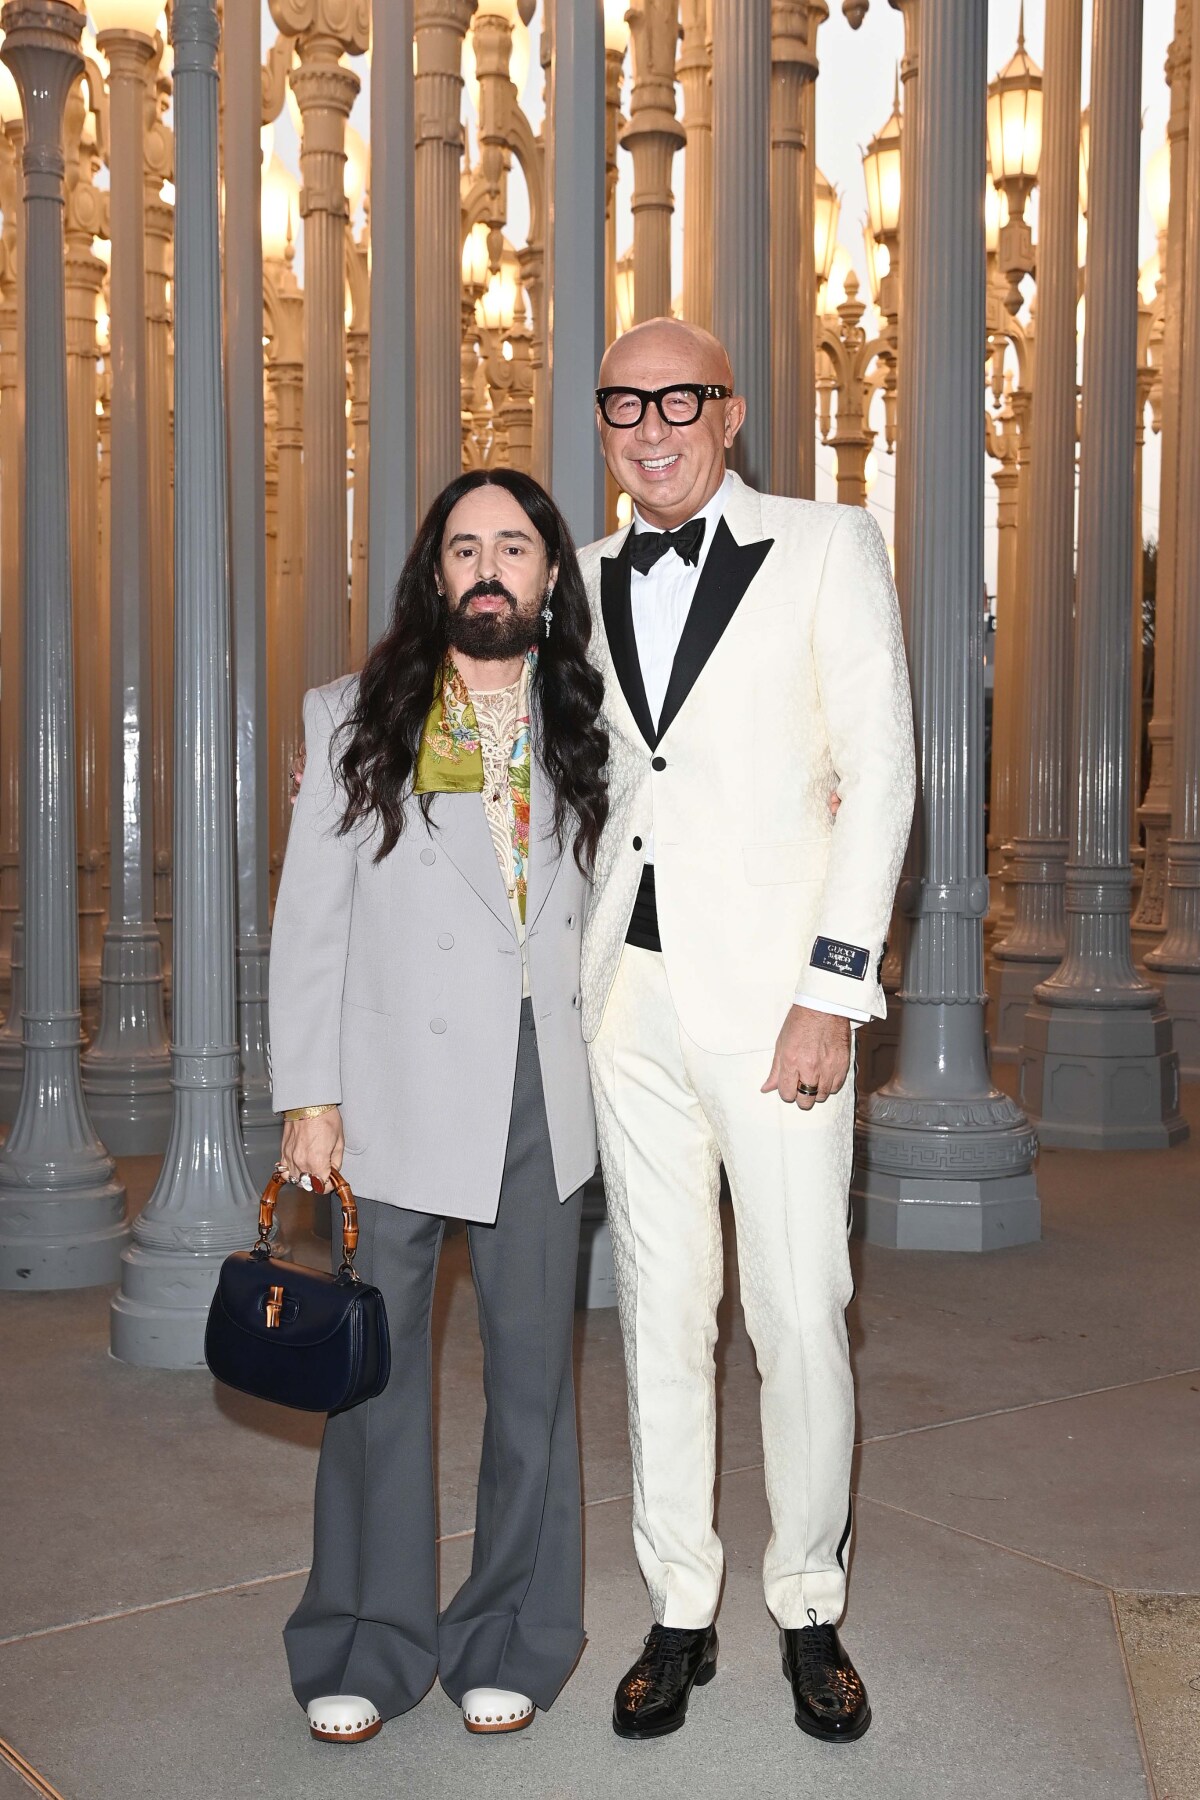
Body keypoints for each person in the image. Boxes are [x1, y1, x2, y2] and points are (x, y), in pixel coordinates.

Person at [578, 318, 915, 1744]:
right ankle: (677, 1607)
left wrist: (832, 993)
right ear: (602, 425)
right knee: (659, 1311)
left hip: (781, 1007)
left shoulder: (830, 546)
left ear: (728, 410)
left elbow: (882, 776)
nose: (651, 426)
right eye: (623, 404)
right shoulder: (582, 582)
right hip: (629, 1003)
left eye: (679, 400)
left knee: (795, 1312)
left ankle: (809, 1605)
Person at [269, 469, 609, 1743]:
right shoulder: (359, 714)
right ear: (433, 576)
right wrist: (309, 1092)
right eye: (463, 547)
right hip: (393, 1093)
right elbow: (311, 923)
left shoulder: (590, 722)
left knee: (533, 1386)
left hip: (543, 1092)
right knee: (375, 1376)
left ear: (549, 577)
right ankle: (364, 1636)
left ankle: (515, 1631)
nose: (487, 568)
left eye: (511, 547)